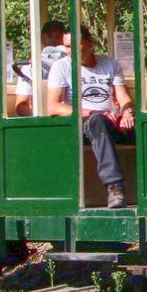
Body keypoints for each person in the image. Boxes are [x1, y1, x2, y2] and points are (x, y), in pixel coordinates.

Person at [45, 27, 136, 208]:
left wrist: (128, 113)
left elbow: (123, 96)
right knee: (98, 122)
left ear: (90, 43)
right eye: (66, 46)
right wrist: (93, 113)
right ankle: (115, 187)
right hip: (84, 124)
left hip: (113, 121)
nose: (69, 51)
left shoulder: (110, 64)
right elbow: (53, 106)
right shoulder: (61, 66)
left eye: (74, 46)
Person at [13, 20, 71, 116]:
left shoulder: (73, 65)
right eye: (51, 36)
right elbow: (21, 106)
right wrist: (41, 115)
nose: (56, 41)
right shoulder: (31, 67)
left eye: (60, 38)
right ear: (43, 37)